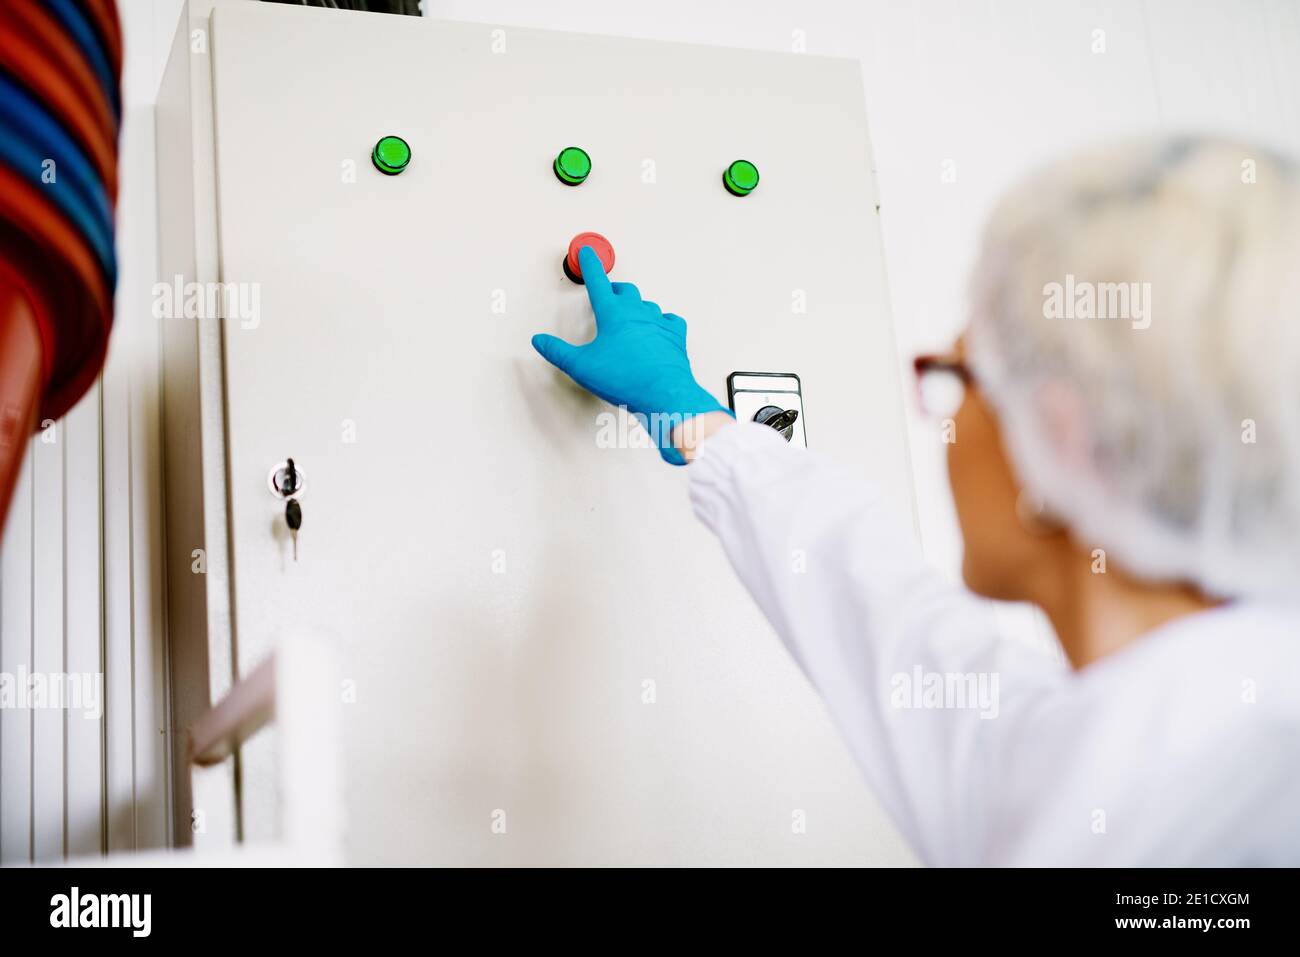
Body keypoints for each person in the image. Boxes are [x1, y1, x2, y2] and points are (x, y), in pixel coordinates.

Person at [531, 138, 1300, 865]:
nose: (944, 424)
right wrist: (685, 408)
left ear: (1062, 435)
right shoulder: (1094, 753)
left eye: (956, 376)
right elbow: (873, 605)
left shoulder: (1229, 782)